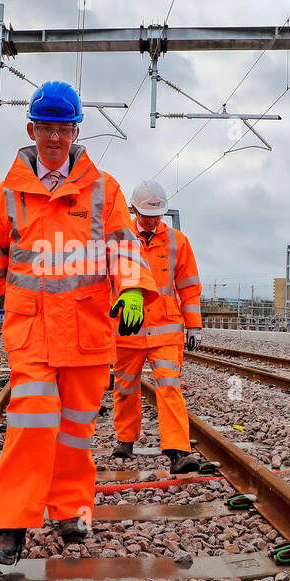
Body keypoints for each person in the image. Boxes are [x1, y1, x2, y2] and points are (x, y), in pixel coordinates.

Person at [0, 80, 157, 565]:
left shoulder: (102, 190)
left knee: (75, 428)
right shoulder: (6, 195)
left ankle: (70, 508)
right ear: (31, 128)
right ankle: (11, 522)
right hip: (34, 331)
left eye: (62, 127)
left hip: (88, 331)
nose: (53, 137)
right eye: (45, 126)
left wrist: (131, 288)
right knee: (32, 421)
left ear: (75, 132)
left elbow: (124, 247)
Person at [110, 179, 203, 474]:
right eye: (146, 214)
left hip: (165, 328)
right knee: (125, 386)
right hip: (128, 328)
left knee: (169, 386)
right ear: (134, 210)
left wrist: (194, 327)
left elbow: (189, 288)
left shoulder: (178, 241)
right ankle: (126, 439)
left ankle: (178, 451)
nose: (151, 220)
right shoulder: (119, 240)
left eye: (157, 214)